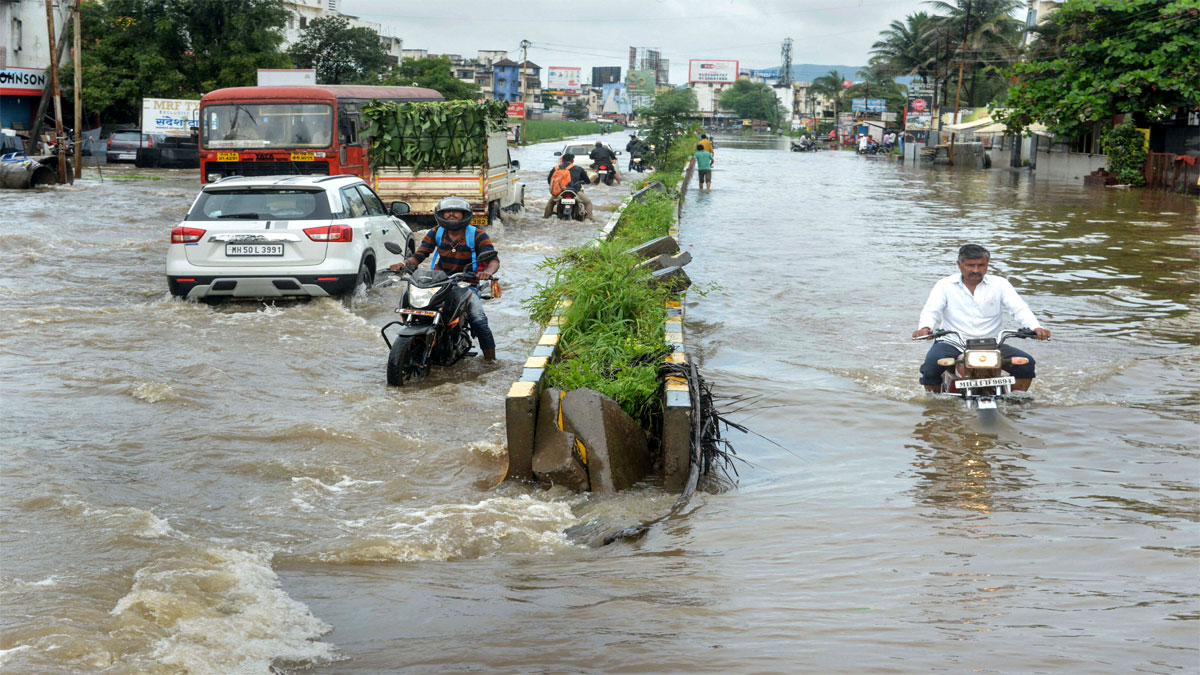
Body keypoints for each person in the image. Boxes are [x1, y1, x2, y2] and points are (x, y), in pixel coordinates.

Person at [913, 244, 1051, 392]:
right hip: (953, 343)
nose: (976, 270)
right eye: (970, 265)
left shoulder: (1000, 284)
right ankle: (935, 404)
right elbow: (931, 310)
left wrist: (1035, 327)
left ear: (987, 265)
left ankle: (1015, 403)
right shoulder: (944, 285)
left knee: (1026, 364)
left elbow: (1018, 308)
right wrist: (925, 328)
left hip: (992, 344)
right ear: (959, 265)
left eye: (981, 265)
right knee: (931, 366)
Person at [390, 196, 499, 362]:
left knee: (479, 320)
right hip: (439, 281)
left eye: (456, 211)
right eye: (447, 211)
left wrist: (487, 273)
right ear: (440, 214)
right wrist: (404, 264)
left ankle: (491, 361)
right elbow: (420, 255)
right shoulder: (436, 232)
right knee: (412, 306)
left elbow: (493, 260)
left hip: (465, 283)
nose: (451, 214)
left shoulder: (477, 235)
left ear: (465, 215)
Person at [543, 153, 595, 221]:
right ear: (572, 160)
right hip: (575, 192)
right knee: (588, 203)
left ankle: (545, 218)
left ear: (562, 160)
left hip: (560, 192)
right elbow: (587, 181)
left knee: (551, 203)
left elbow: (550, 181)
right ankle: (590, 219)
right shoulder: (579, 168)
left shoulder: (556, 168)